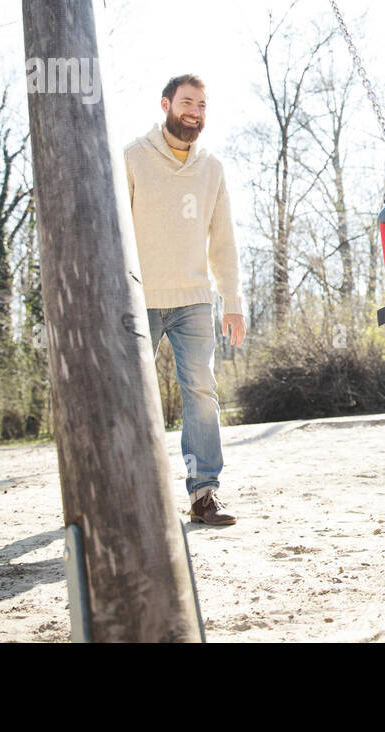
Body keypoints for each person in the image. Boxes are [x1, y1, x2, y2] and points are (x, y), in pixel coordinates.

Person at [125, 73, 246, 525]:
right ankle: (132, 495)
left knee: (201, 393)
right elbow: (112, 228)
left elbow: (223, 239)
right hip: (139, 297)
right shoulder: (133, 158)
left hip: (195, 299)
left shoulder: (211, 167)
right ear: (165, 105)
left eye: (202, 105)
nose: (195, 112)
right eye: (187, 102)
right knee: (132, 396)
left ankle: (203, 494)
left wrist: (232, 299)